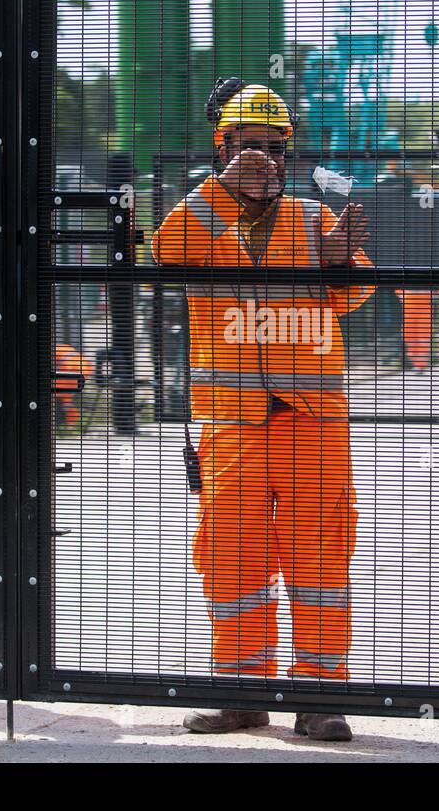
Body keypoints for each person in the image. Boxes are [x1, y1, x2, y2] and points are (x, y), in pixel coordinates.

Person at [153, 79, 374, 741]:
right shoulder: (200, 217)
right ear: (221, 148)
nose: (264, 159)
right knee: (230, 560)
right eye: (249, 146)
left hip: (311, 422)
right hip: (231, 423)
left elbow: (357, 293)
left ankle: (319, 697)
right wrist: (223, 190)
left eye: (275, 148)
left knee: (319, 561)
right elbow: (163, 252)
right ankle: (242, 693)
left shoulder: (312, 219)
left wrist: (339, 268)